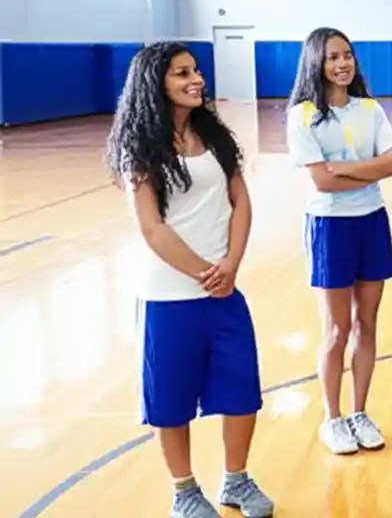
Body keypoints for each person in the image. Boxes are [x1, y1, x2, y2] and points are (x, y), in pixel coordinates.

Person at [105, 42, 274, 518]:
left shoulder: (215, 137)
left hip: (223, 290)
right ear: (155, 84)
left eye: (195, 70)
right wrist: (205, 271)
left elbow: (241, 202)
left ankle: (236, 480)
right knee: (171, 400)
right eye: (182, 73)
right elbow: (152, 228)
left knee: (242, 390)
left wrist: (230, 267)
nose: (195, 79)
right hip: (169, 294)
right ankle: (184, 491)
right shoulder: (139, 148)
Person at [284, 27, 392, 455]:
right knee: (337, 330)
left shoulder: (369, 109)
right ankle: (332, 419)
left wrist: (342, 170)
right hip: (330, 226)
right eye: (333, 57)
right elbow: (320, 181)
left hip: (372, 221)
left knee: (367, 324)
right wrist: (367, 168)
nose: (342, 63)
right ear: (316, 62)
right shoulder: (302, 115)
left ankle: (359, 412)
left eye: (347, 55)